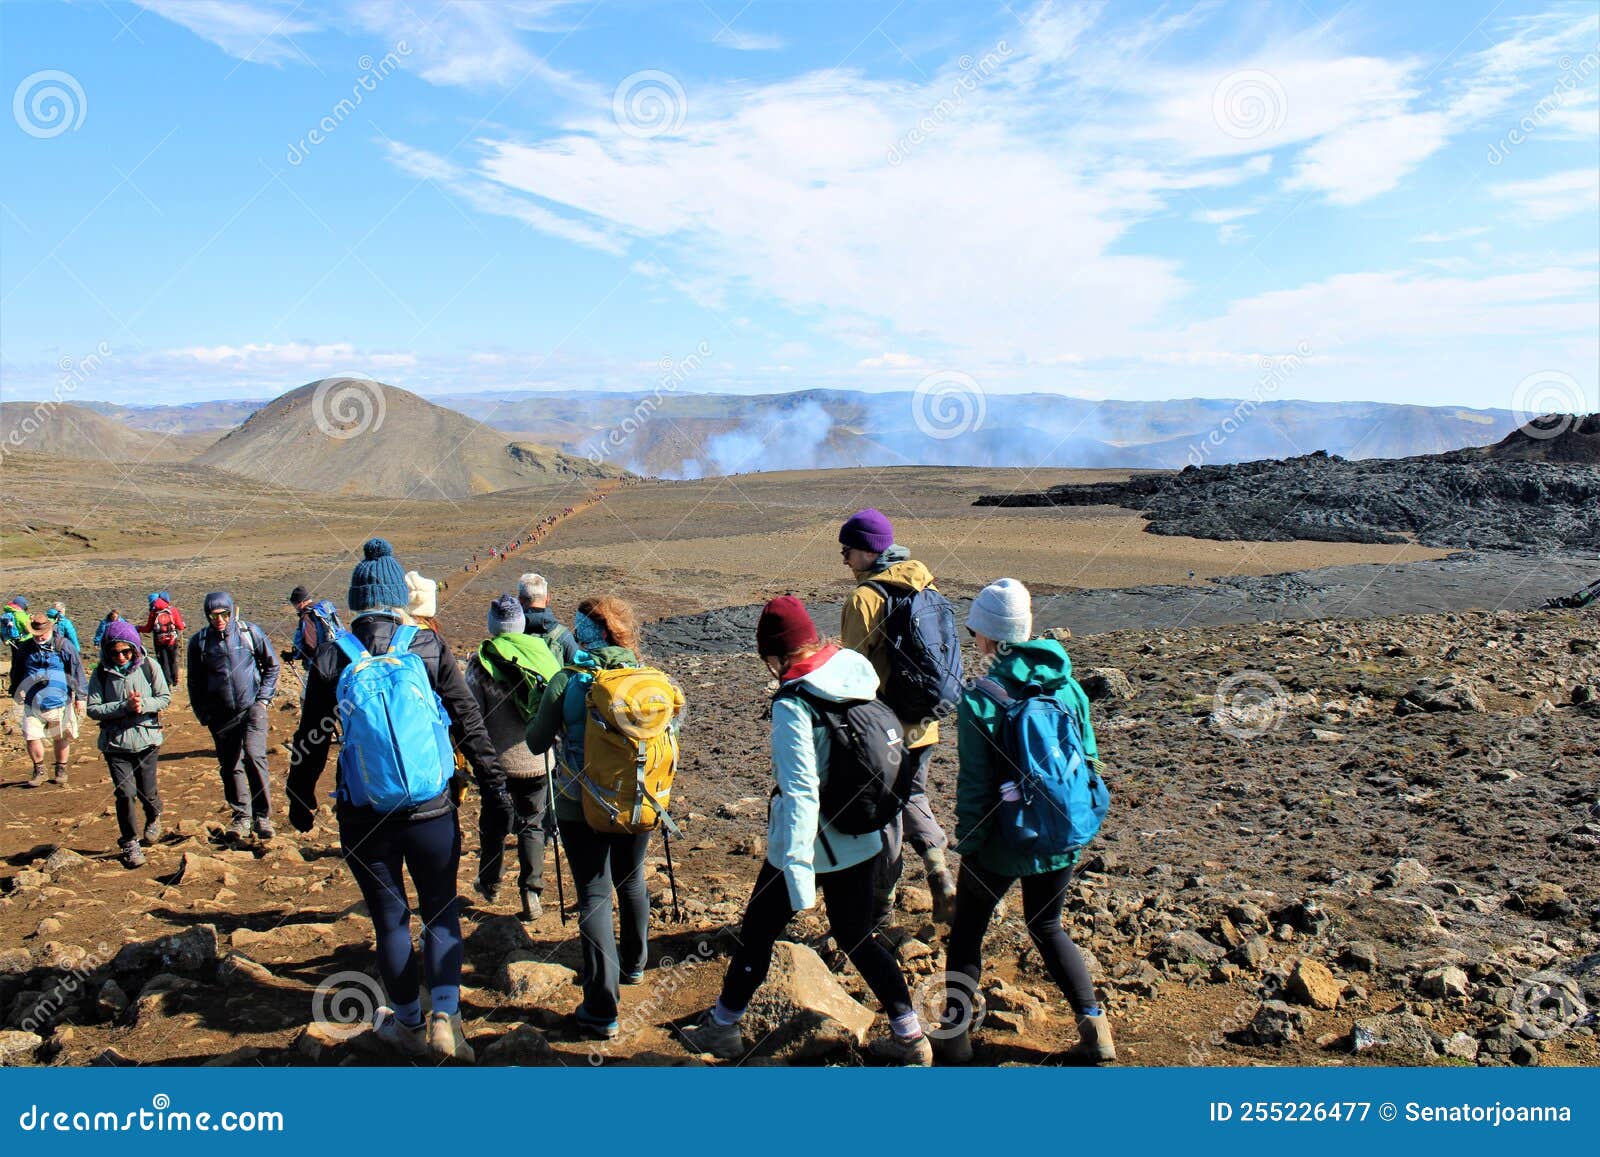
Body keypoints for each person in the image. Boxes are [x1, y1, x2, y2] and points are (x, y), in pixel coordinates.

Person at [287, 538, 513, 1064]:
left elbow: (311, 740)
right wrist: (494, 786)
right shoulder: (426, 646)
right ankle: (447, 1024)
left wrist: (301, 801)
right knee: (440, 912)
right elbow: (468, 722)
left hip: (366, 817)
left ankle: (407, 1025)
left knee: (389, 921)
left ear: (355, 601)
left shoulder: (331, 655)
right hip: (432, 810)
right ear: (395, 599)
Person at [679, 597, 932, 1065]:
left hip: (811, 843)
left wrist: (795, 873)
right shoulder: (852, 671)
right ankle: (911, 1035)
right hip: (863, 834)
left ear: (776, 657)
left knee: (756, 933)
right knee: (858, 936)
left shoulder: (796, 703)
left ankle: (723, 1027)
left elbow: (800, 793)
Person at [940, 579, 1114, 1065]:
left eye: (977, 630)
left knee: (969, 932)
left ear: (991, 637)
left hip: (1000, 839)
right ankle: (1095, 1029)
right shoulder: (1069, 686)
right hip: (1060, 832)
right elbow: (1091, 761)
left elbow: (974, 786)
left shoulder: (980, 700)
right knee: (1048, 925)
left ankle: (954, 1041)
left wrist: (970, 843)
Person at [523, 596, 654, 1040]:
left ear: (583, 633)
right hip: (639, 801)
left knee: (595, 893)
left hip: (581, 804)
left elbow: (537, 741)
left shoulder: (569, 679)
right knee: (632, 881)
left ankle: (601, 1009)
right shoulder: (647, 679)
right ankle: (635, 966)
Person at [838, 508, 957, 925]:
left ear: (868, 551)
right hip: (926, 722)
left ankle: (880, 906)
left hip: (884, 730)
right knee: (915, 795)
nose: (845, 560)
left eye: (848, 550)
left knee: (885, 814)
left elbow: (853, 672)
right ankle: (938, 867)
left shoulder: (865, 598)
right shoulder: (925, 583)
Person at [467, 595, 558, 922]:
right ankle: (531, 893)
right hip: (537, 759)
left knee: (493, 823)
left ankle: (490, 881)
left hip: (497, 764)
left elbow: (472, 715)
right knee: (533, 824)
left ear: (494, 625)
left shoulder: (480, 663)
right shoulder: (543, 655)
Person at [186, 591, 280, 840]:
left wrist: (262, 701)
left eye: (224, 614)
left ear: (231, 611)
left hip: (252, 709)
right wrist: (203, 713)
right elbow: (194, 682)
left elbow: (272, 665)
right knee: (230, 765)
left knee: (253, 755)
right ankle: (242, 816)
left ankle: (263, 816)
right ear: (207, 615)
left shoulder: (250, 633)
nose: (219, 619)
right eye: (213, 615)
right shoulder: (199, 642)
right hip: (220, 716)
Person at [85, 620, 171, 867]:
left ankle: (153, 815)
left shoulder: (149, 666)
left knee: (147, 791)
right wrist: (123, 707)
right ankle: (130, 842)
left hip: (147, 739)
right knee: (125, 793)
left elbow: (164, 697)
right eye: (115, 652)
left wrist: (143, 705)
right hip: (115, 744)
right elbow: (93, 708)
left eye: (126, 651)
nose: (121, 657)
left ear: (135, 647)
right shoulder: (101, 672)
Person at [9, 610, 87, 787]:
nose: (39, 637)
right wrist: (15, 690)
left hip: (60, 701)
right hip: (32, 701)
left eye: (42, 634)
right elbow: (17, 671)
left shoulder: (64, 646)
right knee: (31, 736)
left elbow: (77, 671)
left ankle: (61, 769)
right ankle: (39, 770)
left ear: (50, 629)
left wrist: (80, 697)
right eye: (36, 634)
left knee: (61, 737)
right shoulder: (25, 648)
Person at [517, 572, 578, 662]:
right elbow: (578, 671)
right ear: (547, 598)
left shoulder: (511, 633)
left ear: (520, 600)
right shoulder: (563, 635)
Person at [287, 586, 342, 673]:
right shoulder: (322, 612)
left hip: (317, 665)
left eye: (294, 604)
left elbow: (310, 644)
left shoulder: (307, 616)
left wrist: (295, 655)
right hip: (334, 659)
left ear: (300, 603)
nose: (295, 608)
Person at [139, 594, 186, 686]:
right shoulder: (173, 610)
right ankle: (175, 680)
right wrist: (182, 625)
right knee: (173, 660)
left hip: (159, 641)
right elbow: (180, 626)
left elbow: (148, 629)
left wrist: (138, 628)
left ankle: (167, 682)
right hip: (172, 640)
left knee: (163, 661)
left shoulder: (154, 612)